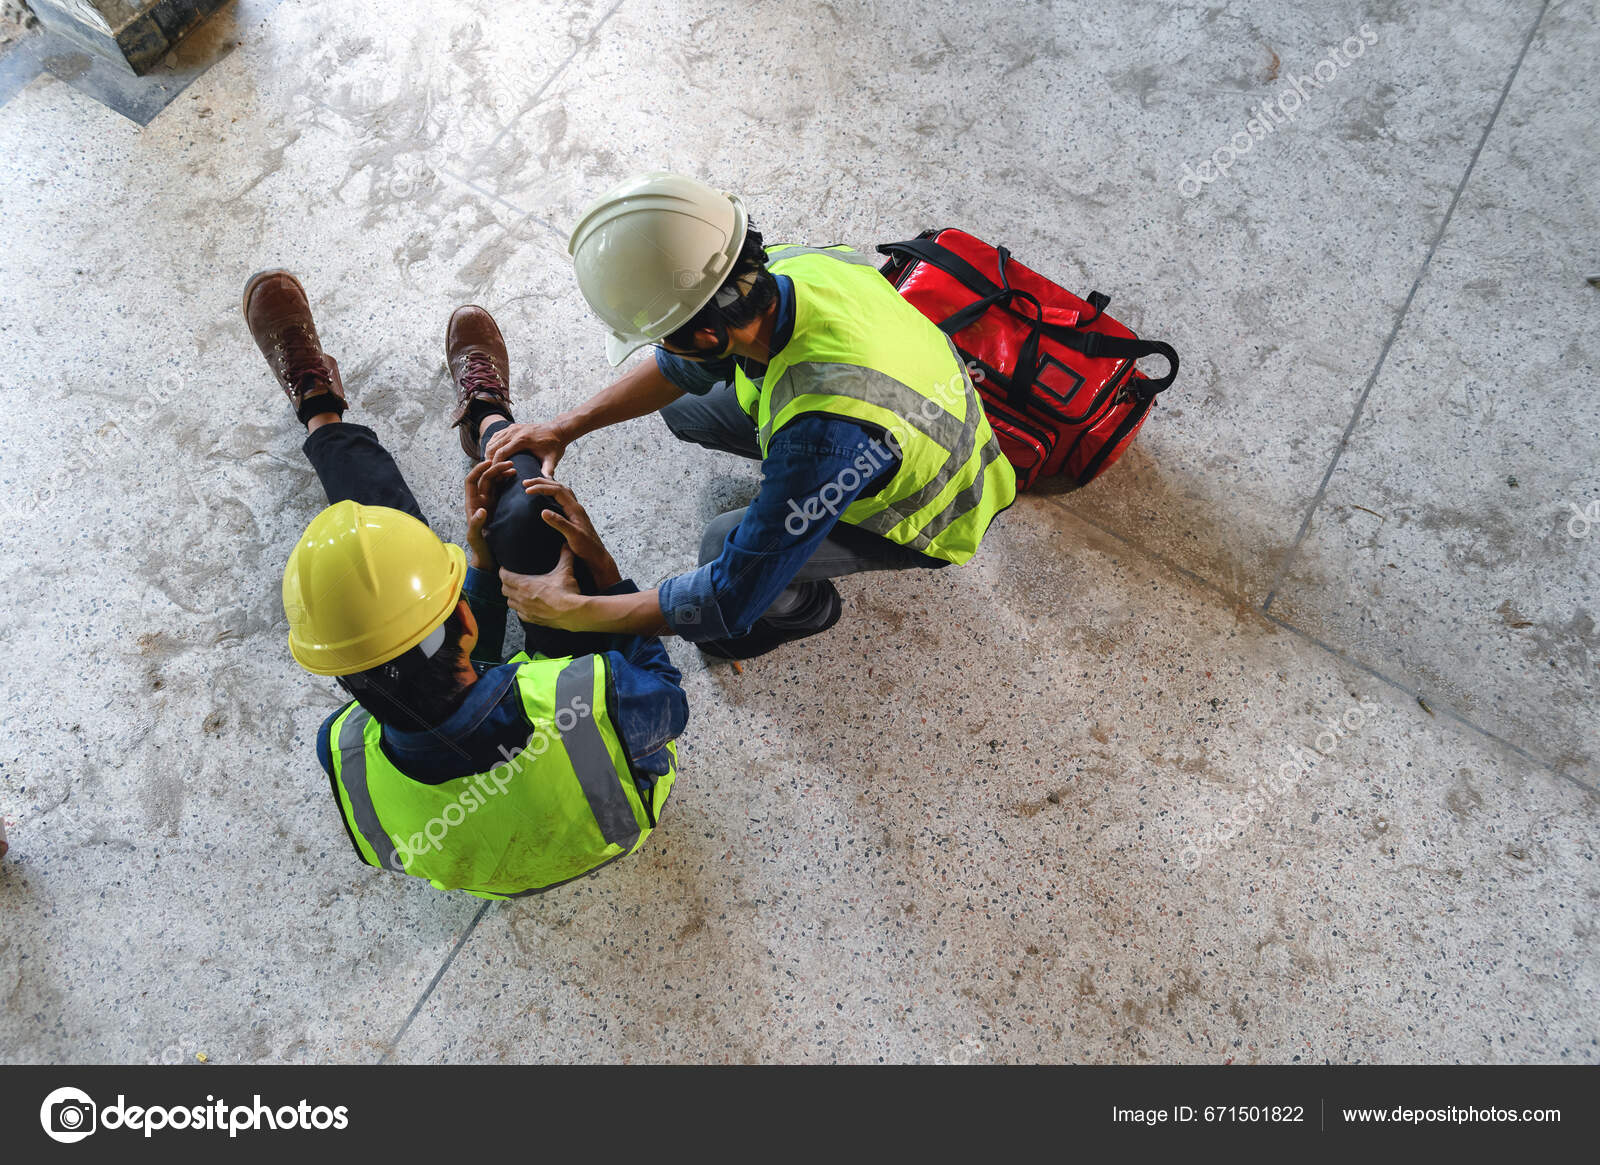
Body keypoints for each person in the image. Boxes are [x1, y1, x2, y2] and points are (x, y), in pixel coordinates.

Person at [244, 269, 687, 897]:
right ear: (471, 624)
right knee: (539, 513)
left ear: (339, 673)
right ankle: (491, 424)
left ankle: (321, 411)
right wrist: (603, 579)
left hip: (498, 867)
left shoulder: (344, 754)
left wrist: (477, 570)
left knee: (373, 559)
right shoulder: (591, 700)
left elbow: (413, 659)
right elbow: (668, 694)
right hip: (606, 822)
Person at [483, 172, 1017, 659]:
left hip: (936, 507)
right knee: (686, 410)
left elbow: (728, 596)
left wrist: (571, 613)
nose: (664, 350)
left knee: (724, 550)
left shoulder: (824, 436)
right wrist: (564, 428)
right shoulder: (785, 265)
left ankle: (805, 611)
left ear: (708, 335)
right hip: (901, 417)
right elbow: (677, 368)